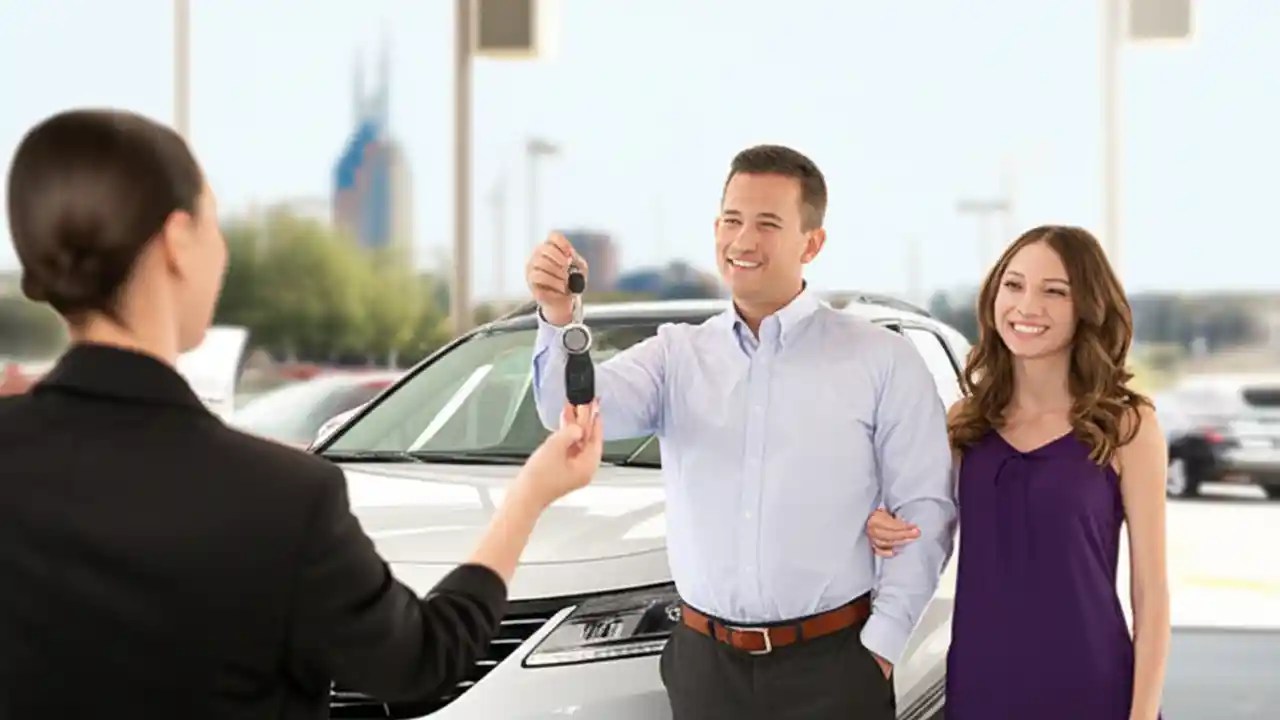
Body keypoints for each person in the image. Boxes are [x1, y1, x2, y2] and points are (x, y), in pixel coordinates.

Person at [0, 108, 604, 718]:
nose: (223, 251)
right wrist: (529, 495)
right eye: (215, 222)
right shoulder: (282, 496)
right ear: (178, 243)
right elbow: (421, 660)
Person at [524, 144, 957, 719]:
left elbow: (924, 509)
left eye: (768, 224)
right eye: (732, 220)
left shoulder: (880, 359)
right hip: (706, 669)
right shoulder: (676, 355)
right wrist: (558, 316)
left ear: (812, 242)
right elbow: (570, 408)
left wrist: (880, 646)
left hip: (834, 667)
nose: (743, 241)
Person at [864, 225, 1170, 719]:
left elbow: (1150, 595)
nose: (1027, 306)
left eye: (1055, 291)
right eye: (1014, 285)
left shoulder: (1128, 425)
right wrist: (882, 524)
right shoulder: (966, 421)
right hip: (984, 688)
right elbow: (920, 529)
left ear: (1087, 306)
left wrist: (1142, 714)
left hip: (1094, 689)